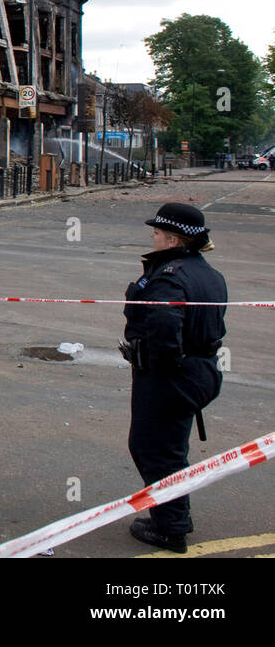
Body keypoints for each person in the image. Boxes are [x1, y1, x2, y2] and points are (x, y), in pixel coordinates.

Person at [122, 202, 226, 553]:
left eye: (156, 232)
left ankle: (171, 528)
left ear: (172, 238)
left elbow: (166, 326)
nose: (151, 237)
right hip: (200, 372)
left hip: (170, 377)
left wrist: (162, 371)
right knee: (171, 449)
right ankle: (173, 515)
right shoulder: (208, 273)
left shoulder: (170, 276)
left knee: (153, 450)